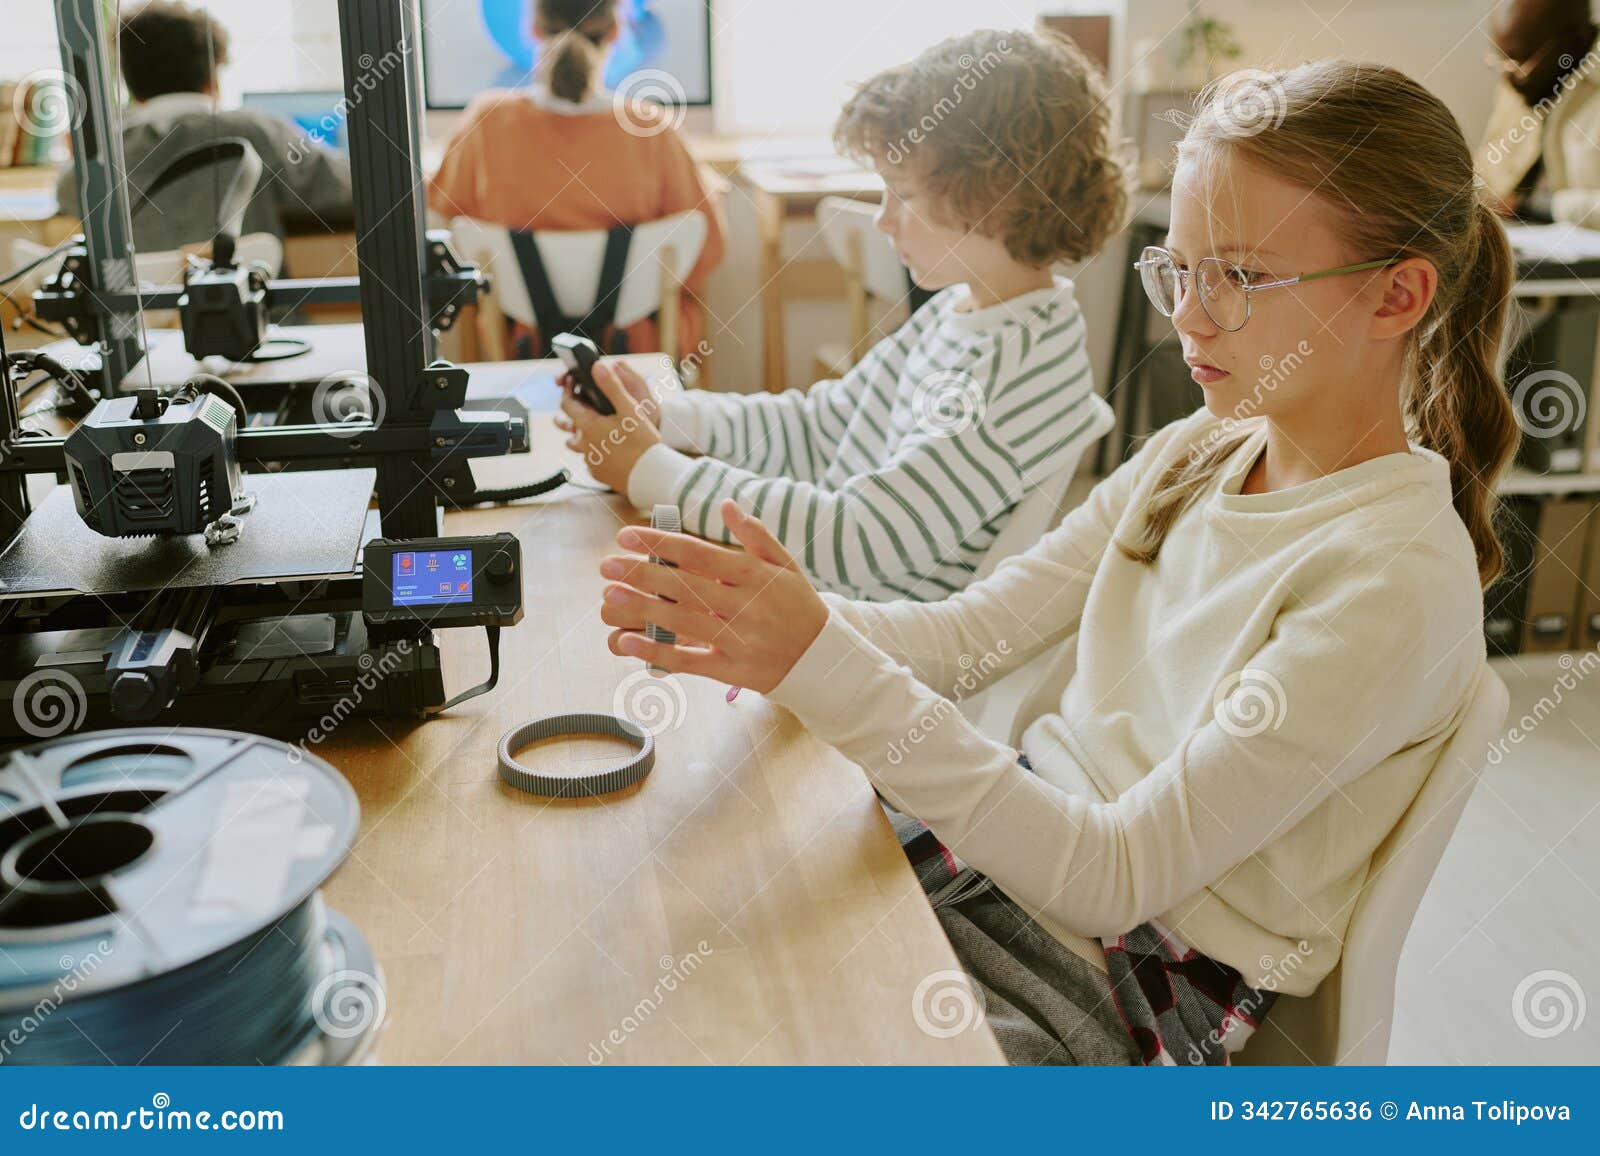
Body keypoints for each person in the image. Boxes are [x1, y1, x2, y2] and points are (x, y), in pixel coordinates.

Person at [594, 60, 1518, 1064]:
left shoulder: (1390, 582)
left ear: (1397, 297)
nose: (1191, 318)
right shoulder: (1197, 451)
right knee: (670, 930)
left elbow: (1115, 875)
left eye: (1242, 276)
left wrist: (816, 654)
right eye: (1179, 269)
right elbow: (972, 636)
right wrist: (777, 618)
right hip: (1015, 867)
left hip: (1119, 984)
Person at [560, 29, 1124, 601]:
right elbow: (822, 427)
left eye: (901, 194)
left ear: (995, 199)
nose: (882, 219)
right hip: (829, 607)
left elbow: (860, 538)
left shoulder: (1014, 367)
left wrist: (652, 469)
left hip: (861, 641)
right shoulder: (964, 312)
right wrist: (671, 417)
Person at [427, 0, 726, 360]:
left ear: (533, 29)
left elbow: (453, 228)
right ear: (615, 30)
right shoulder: (650, 129)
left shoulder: (486, 122)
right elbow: (707, 248)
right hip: (635, 360)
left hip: (519, 353)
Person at [55, 1, 353, 255]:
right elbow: (352, 189)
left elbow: (68, 192)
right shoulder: (256, 130)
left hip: (146, 321)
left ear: (132, 85)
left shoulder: (96, 162)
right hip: (258, 320)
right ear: (213, 77)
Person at [1476, 0, 1600, 224]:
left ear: (1576, 42)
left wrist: (1543, 207)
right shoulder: (1518, 84)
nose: (1508, 76)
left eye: (1522, 60)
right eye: (1502, 60)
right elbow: (1487, 179)